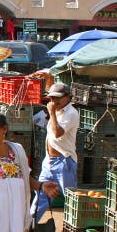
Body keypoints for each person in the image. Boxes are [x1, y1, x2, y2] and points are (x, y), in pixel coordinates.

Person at [31, 83, 79, 221]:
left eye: (58, 98)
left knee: (71, 200)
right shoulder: (57, 110)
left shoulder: (71, 113)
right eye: (51, 98)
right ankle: (28, 227)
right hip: (49, 162)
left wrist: (51, 112)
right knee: (41, 195)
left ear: (68, 97)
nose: (54, 101)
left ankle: (75, 230)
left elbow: (58, 133)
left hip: (64, 162)